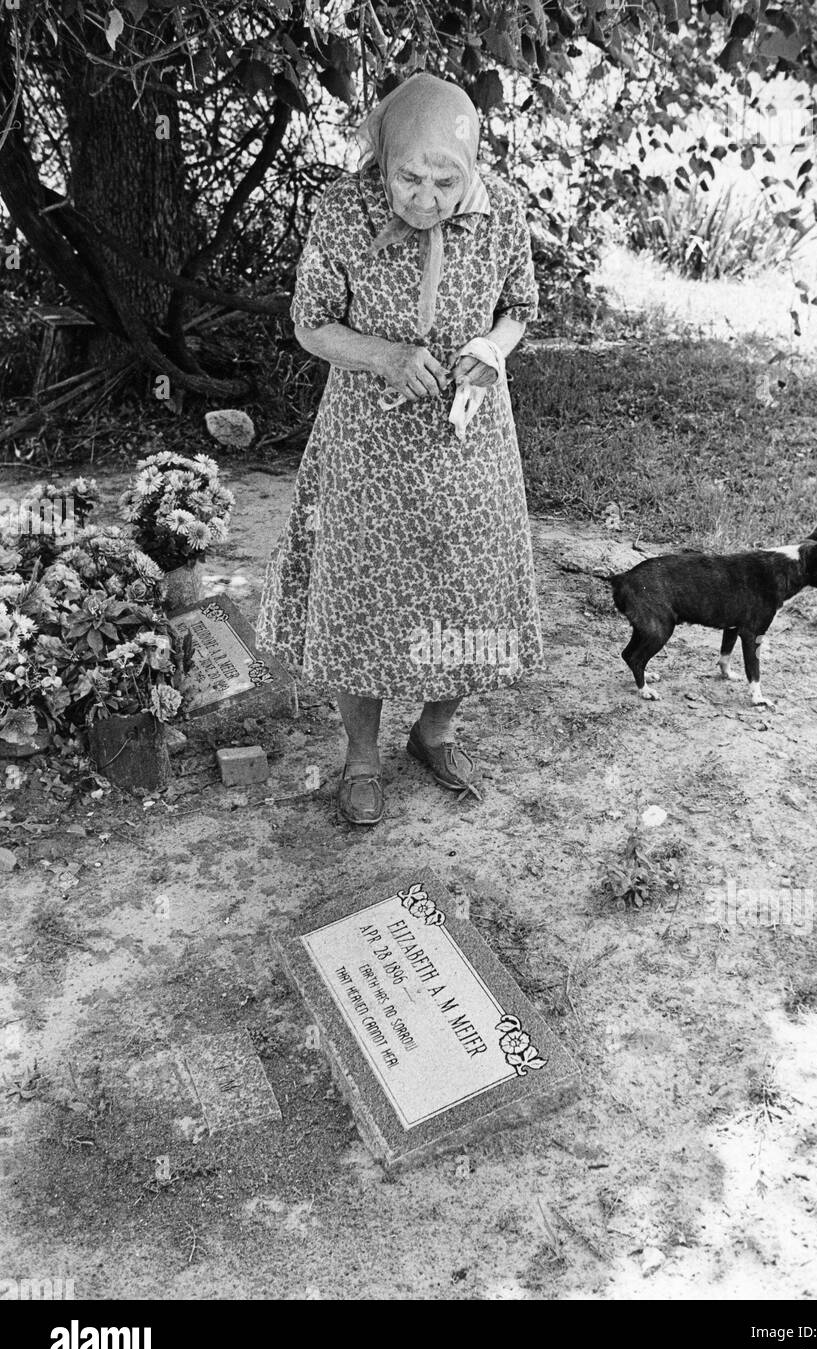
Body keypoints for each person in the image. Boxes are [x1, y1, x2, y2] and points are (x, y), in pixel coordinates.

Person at [257, 72, 543, 826]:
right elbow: (311, 323)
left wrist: (492, 346)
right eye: (407, 177)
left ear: (473, 167)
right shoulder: (341, 212)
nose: (426, 198)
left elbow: (519, 307)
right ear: (380, 161)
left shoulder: (504, 209)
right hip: (367, 440)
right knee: (363, 594)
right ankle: (358, 756)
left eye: (446, 180)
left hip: (469, 437)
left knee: (470, 588)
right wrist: (382, 355)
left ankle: (434, 730)